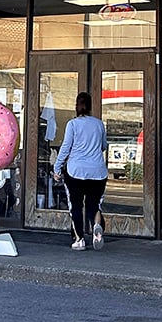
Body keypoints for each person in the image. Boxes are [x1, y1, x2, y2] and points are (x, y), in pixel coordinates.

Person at [53, 91, 108, 251]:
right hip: (98, 171)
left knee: (75, 206)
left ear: (77, 106)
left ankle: (79, 240)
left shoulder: (73, 124)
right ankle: (97, 226)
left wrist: (57, 167)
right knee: (94, 204)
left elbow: (65, 147)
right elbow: (103, 146)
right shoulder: (99, 124)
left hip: (76, 171)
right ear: (90, 107)